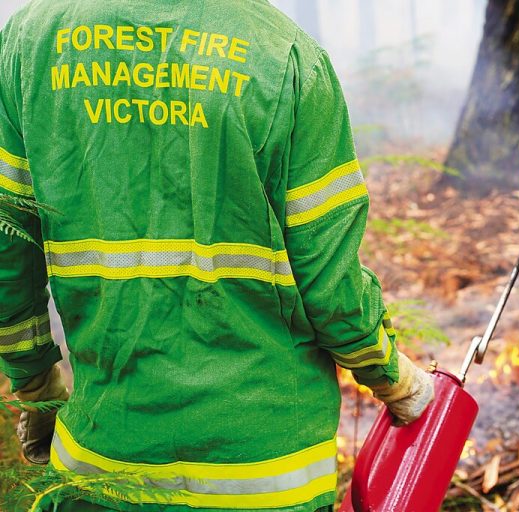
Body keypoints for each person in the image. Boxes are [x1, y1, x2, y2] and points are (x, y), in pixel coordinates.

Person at [0, 1, 434, 511]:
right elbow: (330, 284)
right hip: (266, 471)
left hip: (103, 464)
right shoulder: (286, 54)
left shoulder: (29, 44)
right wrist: (394, 379)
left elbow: (10, 246)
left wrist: (35, 381)